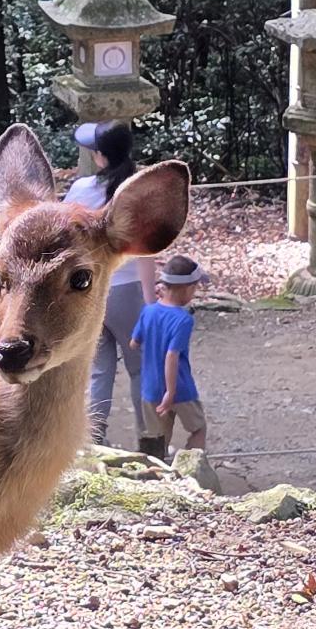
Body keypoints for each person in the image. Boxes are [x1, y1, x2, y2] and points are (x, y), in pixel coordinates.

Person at [63, 120, 157, 445]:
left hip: (89, 291)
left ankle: (93, 443)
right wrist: (150, 302)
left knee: (99, 369)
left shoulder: (80, 190)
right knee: (141, 368)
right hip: (128, 291)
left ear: (101, 156)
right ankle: (151, 440)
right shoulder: (138, 192)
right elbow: (146, 252)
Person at [130, 253, 210, 456]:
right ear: (186, 288)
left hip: (150, 390)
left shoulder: (148, 312)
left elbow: (133, 343)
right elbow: (171, 356)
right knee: (198, 429)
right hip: (180, 390)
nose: (194, 293)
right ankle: (189, 468)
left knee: (157, 439)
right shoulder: (183, 320)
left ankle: (156, 478)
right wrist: (170, 392)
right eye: (194, 288)